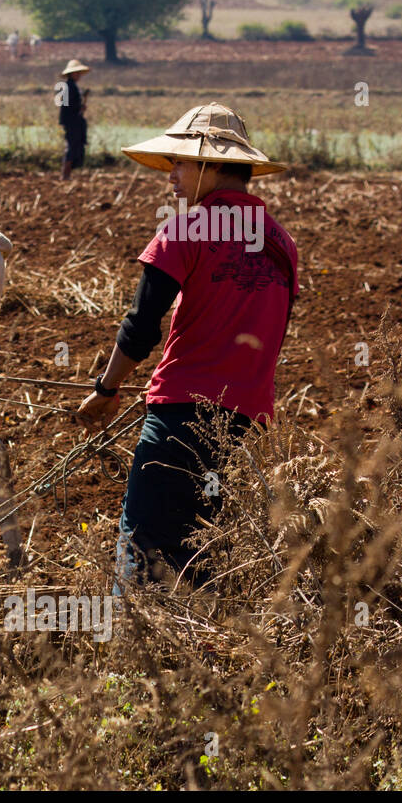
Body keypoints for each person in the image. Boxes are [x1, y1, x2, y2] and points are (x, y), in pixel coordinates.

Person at [77, 103, 297, 595]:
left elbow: (140, 326)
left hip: (181, 420)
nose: (171, 174)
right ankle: (199, 662)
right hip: (246, 427)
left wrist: (107, 389)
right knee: (208, 555)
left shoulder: (185, 230)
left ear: (211, 164)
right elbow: (275, 331)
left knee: (143, 549)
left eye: (180, 163)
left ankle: (130, 665)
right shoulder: (281, 242)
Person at [58, 59, 90, 180]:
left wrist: (81, 107)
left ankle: (67, 174)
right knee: (71, 146)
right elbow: (66, 106)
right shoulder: (67, 87)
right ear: (70, 74)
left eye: (79, 73)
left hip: (73, 120)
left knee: (74, 146)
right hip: (71, 121)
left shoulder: (72, 87)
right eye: (76, 73)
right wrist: (79, 108)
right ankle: (65, 175)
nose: (78, 75)